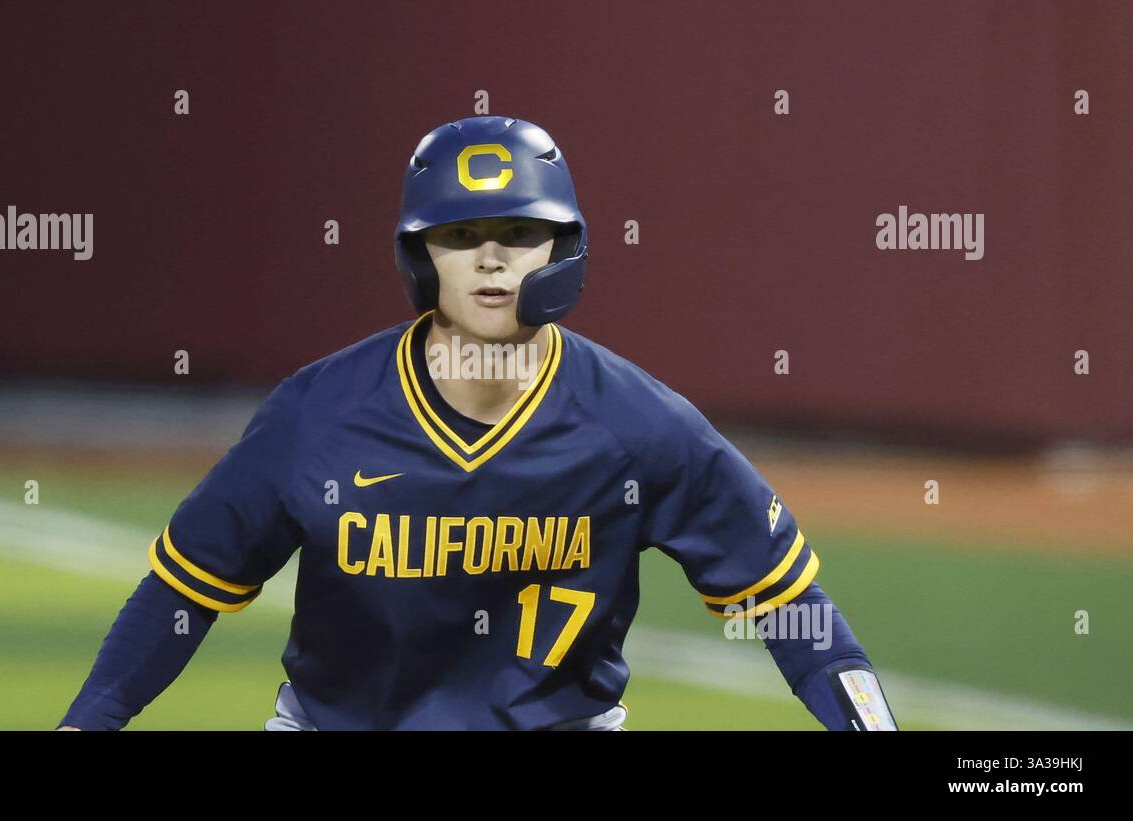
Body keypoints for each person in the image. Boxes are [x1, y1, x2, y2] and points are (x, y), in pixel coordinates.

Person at [58, 115, 898, 731]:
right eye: (461, 234)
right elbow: (182, 591)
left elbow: (795, 610)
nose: (493, 259)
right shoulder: (317, 416)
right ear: (420, 258)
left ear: (562, 252)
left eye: (520, 233)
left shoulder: (640, 429)